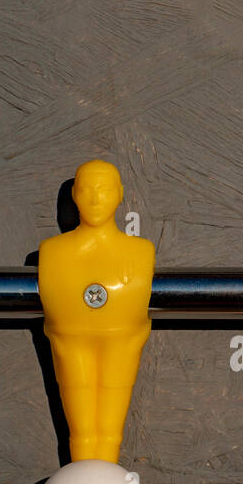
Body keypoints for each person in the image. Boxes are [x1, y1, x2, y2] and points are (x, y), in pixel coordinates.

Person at [38, 160, 155, 463]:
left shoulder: (140, 252)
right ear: (75, 195)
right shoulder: (53, 251)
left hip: (122, 344)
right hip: (69, 345)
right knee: (82, 434)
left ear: (119, 195)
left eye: (103, 190)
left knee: (109, 433)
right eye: (87, 189)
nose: (94, 198)